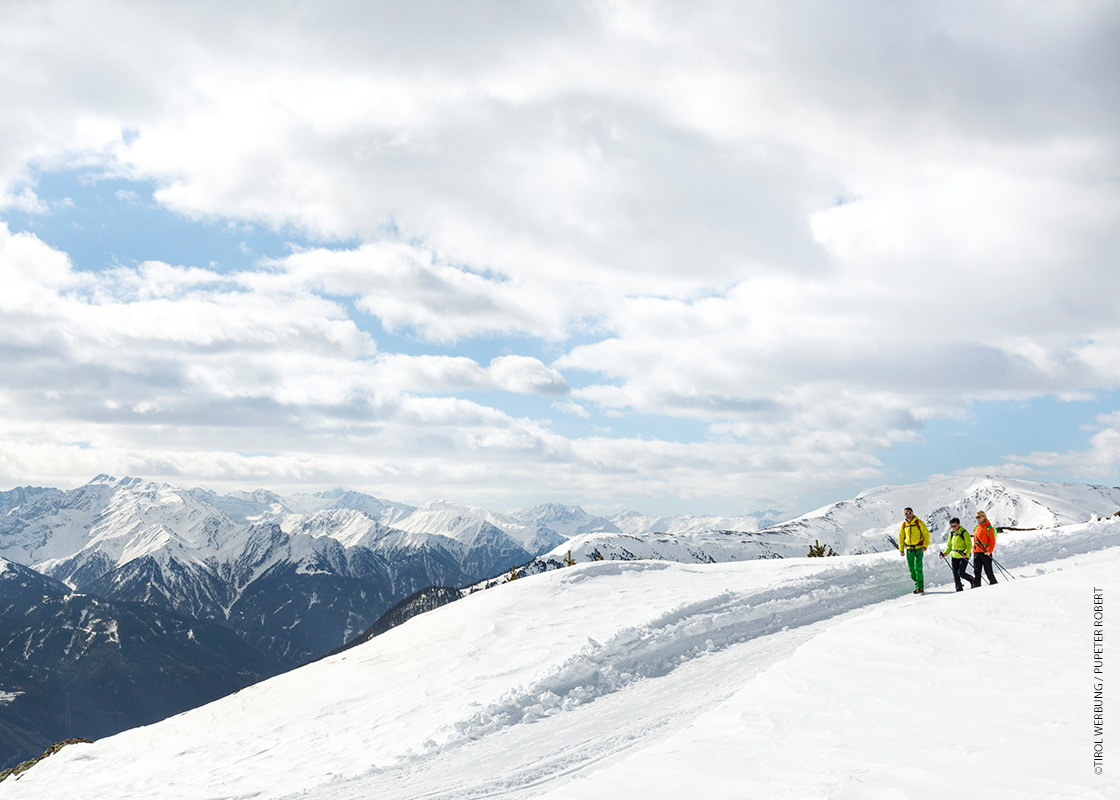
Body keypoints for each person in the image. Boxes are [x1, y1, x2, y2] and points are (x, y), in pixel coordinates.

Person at [898, 507, 930, 594]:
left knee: (918, 568)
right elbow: (901, 537)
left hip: (918, 549)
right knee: (911, 570)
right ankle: (918, 584)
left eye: (909, 513)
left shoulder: (919, 523)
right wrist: (901, 549)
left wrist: (925, 545)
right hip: (909, 550)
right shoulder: (904, 525)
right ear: (904, 515)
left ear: (913, 513)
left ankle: (919, 587)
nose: (908, 515)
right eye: (906, 513)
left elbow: (926, 534)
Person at [939, 517, 976, 591]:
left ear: (959, 524)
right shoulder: (952, 534)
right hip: (954, 556)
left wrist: (965, 553)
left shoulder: (964, 532)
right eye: (951, 526)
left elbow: (969, 545)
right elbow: (949, 546)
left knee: (961, 573)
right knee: (955, 573)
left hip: (963, 556)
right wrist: (945, 553)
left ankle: (973, 580)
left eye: (954, 526)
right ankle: (959, 588)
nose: (953, 528)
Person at [972, 510, 998, 586]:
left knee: (988, 572)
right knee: (977, 572)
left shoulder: (989, 528)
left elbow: (992, 542)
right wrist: (974, 551)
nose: (978, 519)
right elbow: (975, 540)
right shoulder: (977, 527)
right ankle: (977, 587)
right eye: (976, 517)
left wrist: (989, 551)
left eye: (979, 517)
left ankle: (994, 585)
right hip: (977, 552)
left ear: (984, 516)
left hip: (985, 552)